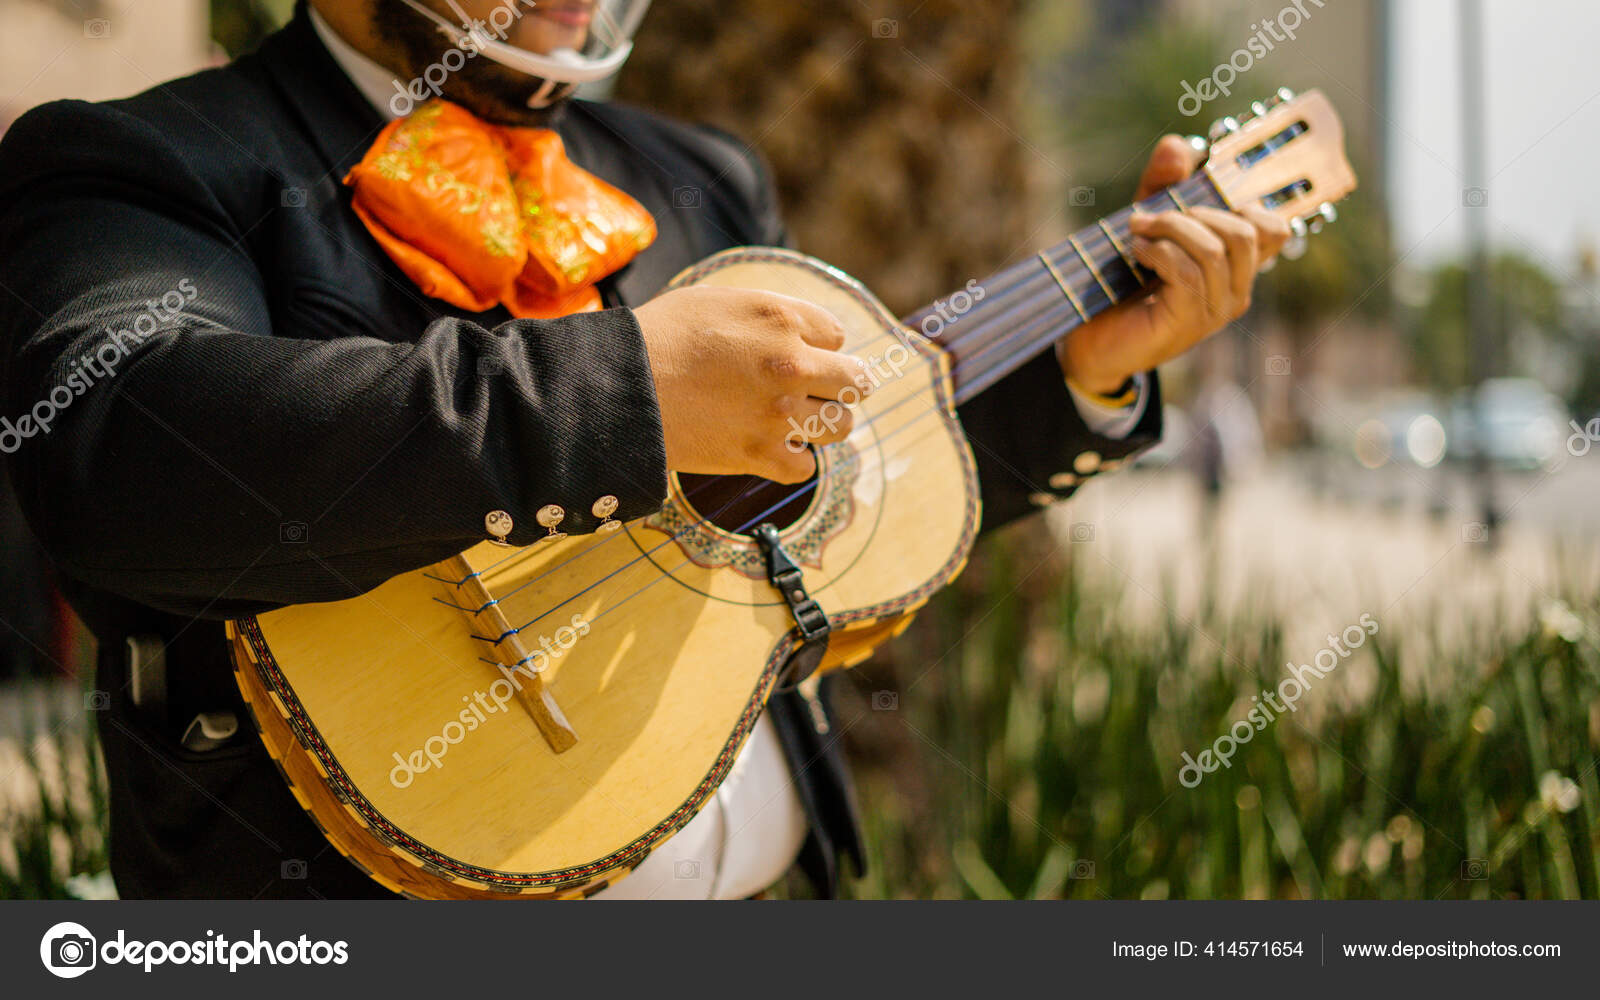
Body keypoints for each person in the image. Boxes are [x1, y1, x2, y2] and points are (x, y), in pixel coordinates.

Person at [0, 0, 1286, 899]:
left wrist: (1081, 375)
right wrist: (625, 391)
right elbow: (119, 455)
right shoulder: (144, 159)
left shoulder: (704, 178)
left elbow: (830, 519)